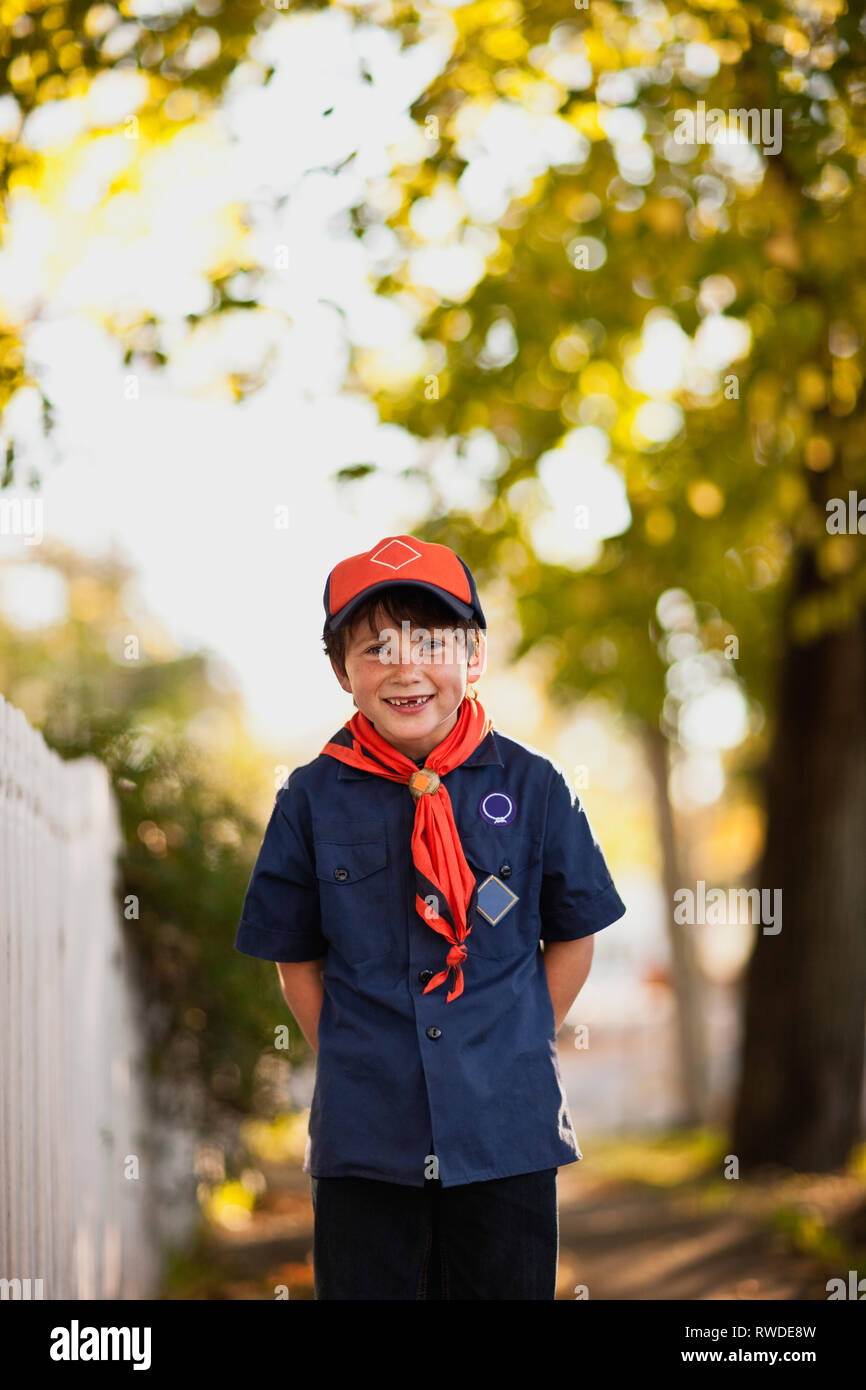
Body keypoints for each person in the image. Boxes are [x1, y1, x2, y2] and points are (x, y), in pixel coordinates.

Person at [234, 533, 626, 1300]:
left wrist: (512, 1038)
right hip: (365, 1138)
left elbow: (574, 932)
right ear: (343, 672)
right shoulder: (310, 798)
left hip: (505, 1133)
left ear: (473, 656)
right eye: (376, 647)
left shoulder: (536, 785)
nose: (405, 666)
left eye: (432, 642)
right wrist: (355, 1053)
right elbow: (296, 958)